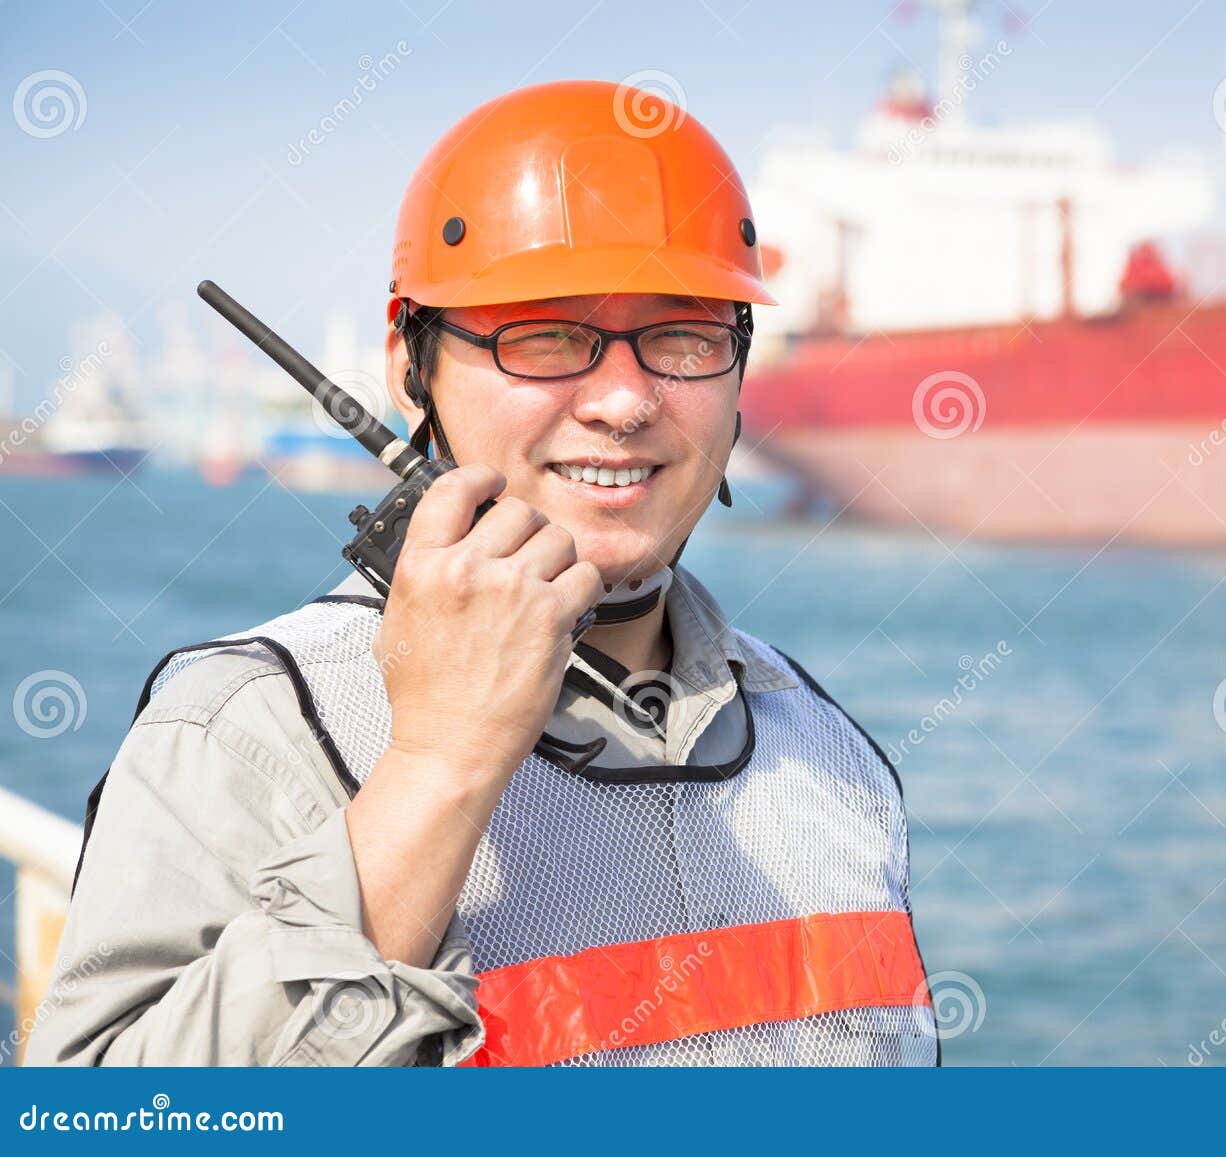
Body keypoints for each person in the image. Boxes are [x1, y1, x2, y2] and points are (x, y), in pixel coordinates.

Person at [26, 80, 937, 1067]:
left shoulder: (828, 750)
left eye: (683, 336)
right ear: (407, 363)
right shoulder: (249, 728)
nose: (625, 401)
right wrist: (438, 765)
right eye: (546, 336)